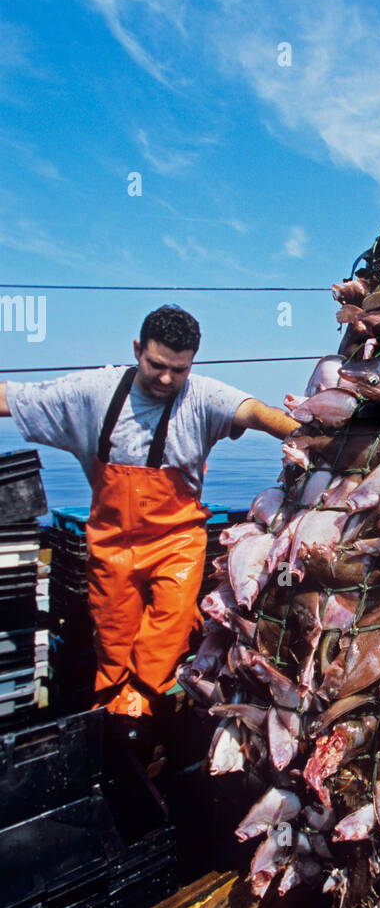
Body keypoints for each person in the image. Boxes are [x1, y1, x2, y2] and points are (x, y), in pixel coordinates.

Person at [0, 305, 298, 719]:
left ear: (192, 362)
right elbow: (12, 399)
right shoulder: (94, 392)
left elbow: (256, 413)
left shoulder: (202, 396)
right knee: (113, 640)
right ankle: (115, 715)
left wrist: (311, 436)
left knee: (168, 634)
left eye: (179, 369)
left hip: (176, 543)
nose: (166, 378)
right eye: (156, 365)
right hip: (110, 541)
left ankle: (148, 714)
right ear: (137, 349)